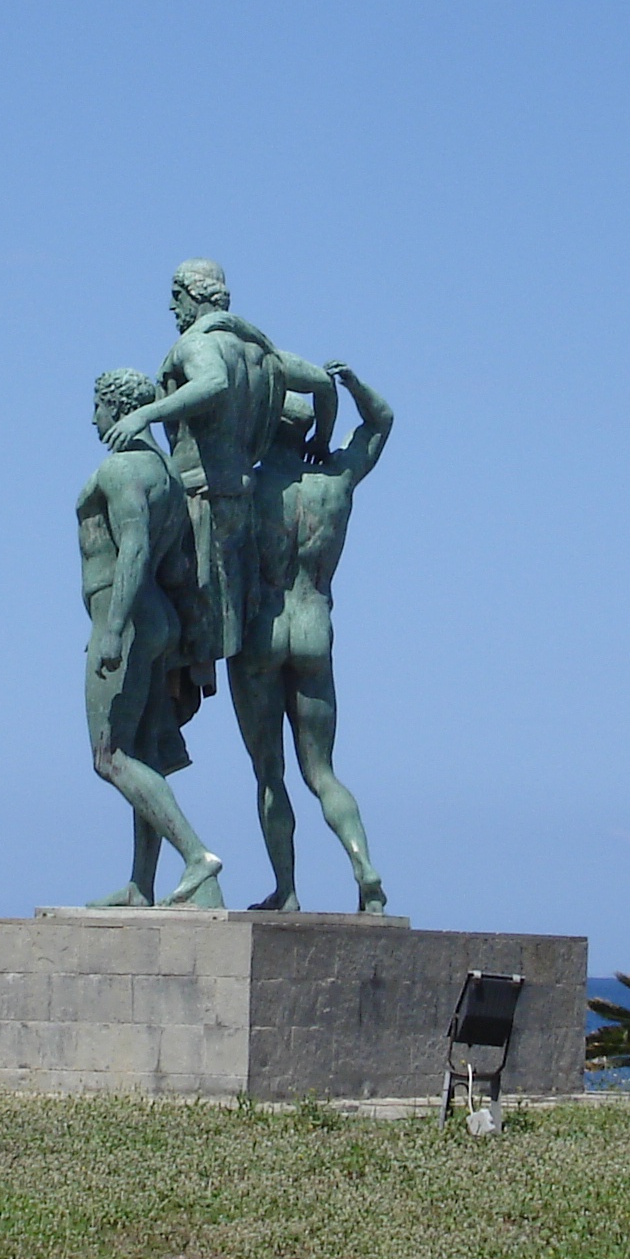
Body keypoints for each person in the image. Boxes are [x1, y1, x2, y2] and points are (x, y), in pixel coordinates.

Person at [106, 260, 332, 668]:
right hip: (238, 495)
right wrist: (322, 440)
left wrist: (145, 414)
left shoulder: (197, 343)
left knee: (172, 610)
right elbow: (323, 383)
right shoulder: (264, 352)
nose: (172, 308)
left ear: (195, 295)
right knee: (213, 613)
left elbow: (213, 383)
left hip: (198, 494)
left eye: (176, 297)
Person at [230, 362, 395, 914]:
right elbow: (381, 420)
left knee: (269, 772)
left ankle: (288, 890)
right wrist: (349, 383)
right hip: (314, 629)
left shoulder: (248, 486)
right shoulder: (336, 482)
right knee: (322, 772)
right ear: (304, 431)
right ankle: (364, 870)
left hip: (261, 633)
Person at [76, 368, 228, 908]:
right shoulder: (163, 470)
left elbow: (134, 549)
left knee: (109, 756)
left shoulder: (121, 471)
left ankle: (196, 855)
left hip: (126, 618)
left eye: (97, 405)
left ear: (116, 408)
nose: (93, 417)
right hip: (156, 618)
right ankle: (142, 885)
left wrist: (113, 628)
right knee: (144, 755)